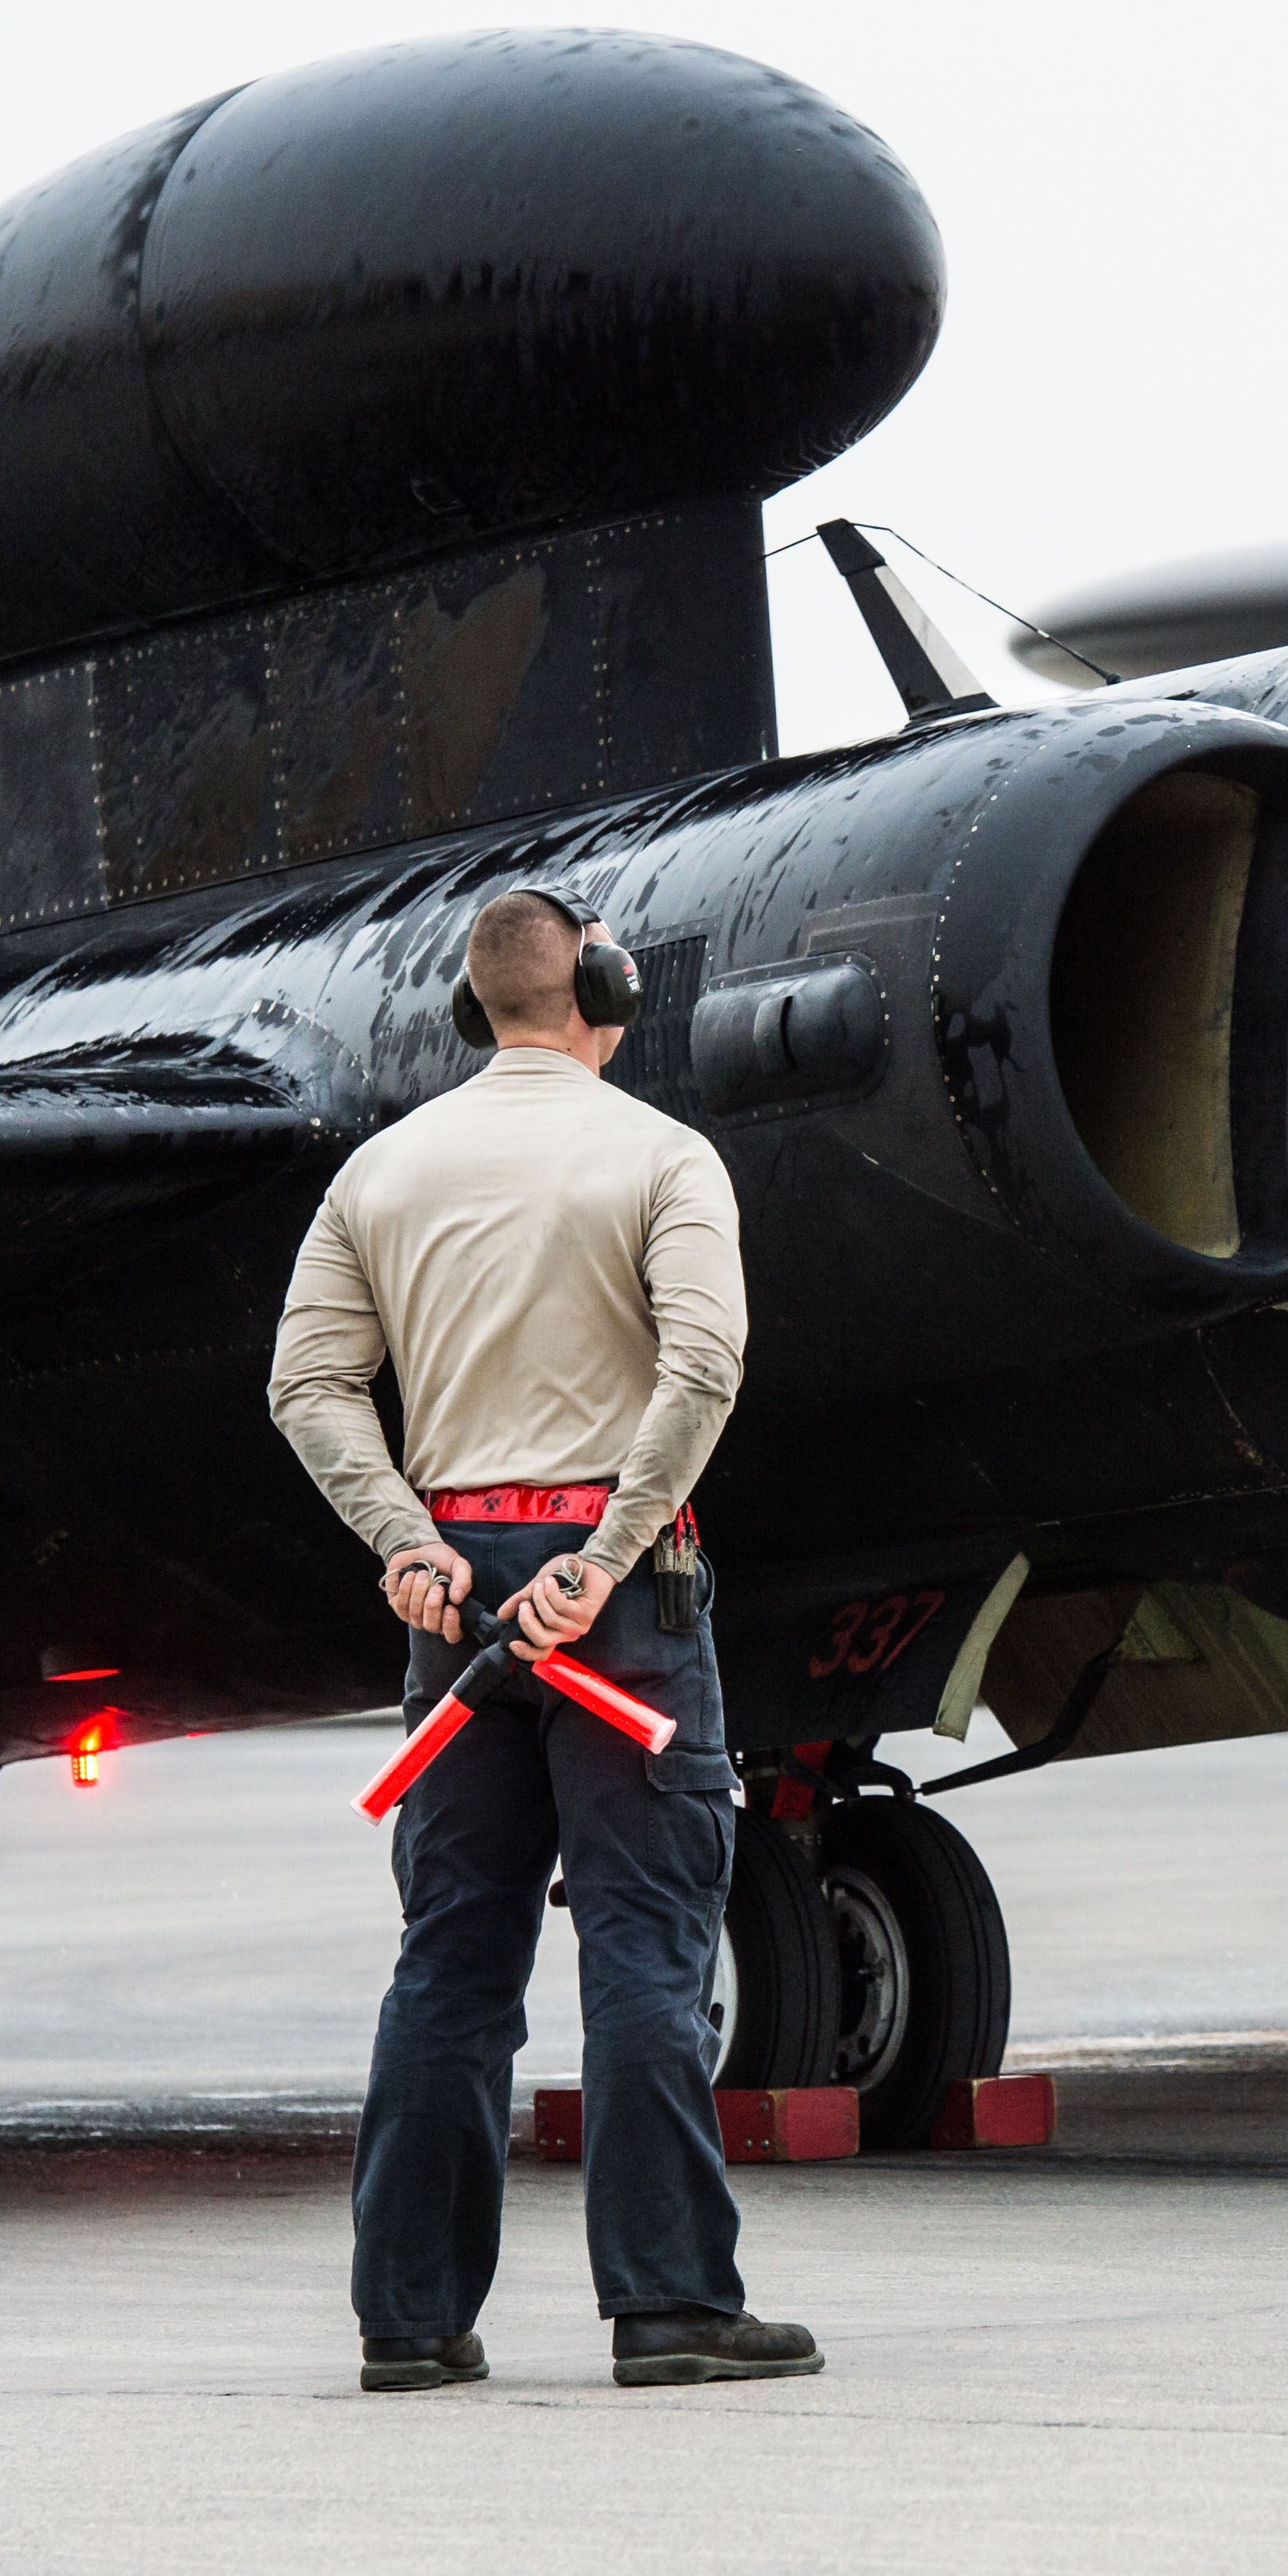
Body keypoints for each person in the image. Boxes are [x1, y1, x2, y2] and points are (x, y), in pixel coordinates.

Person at [266, 884, 817, 2393]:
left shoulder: (380, 1173)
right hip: (612, 1602)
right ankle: (670, 2306)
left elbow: (307, 1387)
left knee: (451, 1954)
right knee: (645, 1946)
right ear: (609, 987)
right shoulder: (662, 1157)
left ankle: (412, 2320)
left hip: (454, 1596)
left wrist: (409, 1544)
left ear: (470, 1009)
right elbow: (703, 1364)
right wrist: (605, 1556)